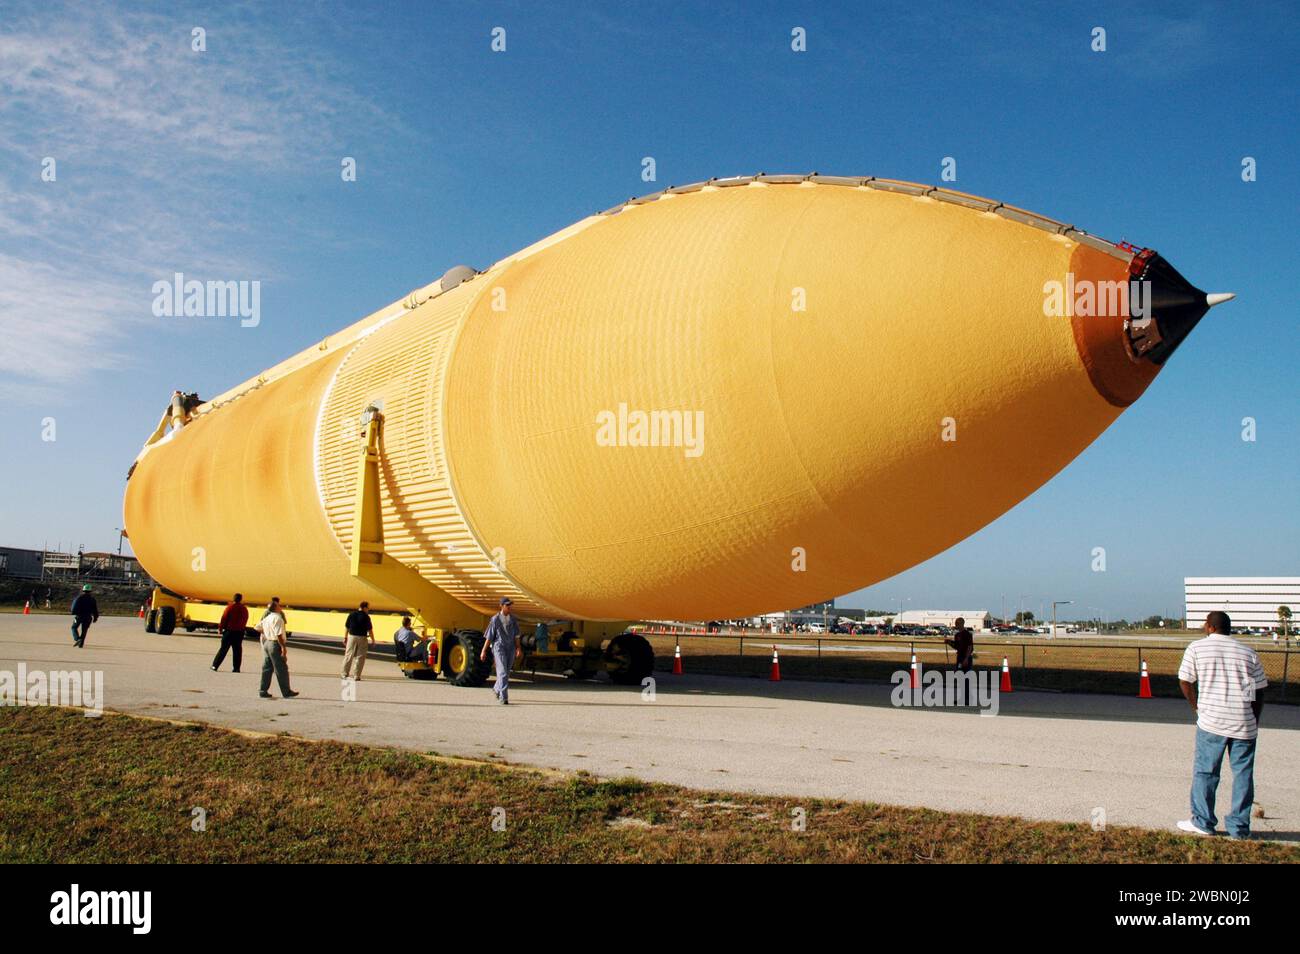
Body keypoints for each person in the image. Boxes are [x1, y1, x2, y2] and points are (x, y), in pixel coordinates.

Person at [1175, 611, 1267, 839]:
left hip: (1212, 722)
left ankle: (1203, 822)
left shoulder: (1197, 648)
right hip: (1244, 723)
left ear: (1210, 627)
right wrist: (1253, 716)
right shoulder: (1248, 653)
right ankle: (1239, 828)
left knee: (1206, 772)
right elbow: (1257, 690)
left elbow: (1185, 680)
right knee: (1243, 775)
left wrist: (1196, 706)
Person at [480, 597, 522, 704]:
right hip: (499, 647)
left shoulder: (513, 620)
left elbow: (517, 636)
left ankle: (496, 688)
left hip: (511, 648)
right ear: (501, 606)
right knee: (502, 672)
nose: (509, 607)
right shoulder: (495, 620)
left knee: (506, 673)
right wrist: (483, 651)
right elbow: (489, 637)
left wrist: (518, 648)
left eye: (510, 605)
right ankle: (504, 697)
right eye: (507, 605)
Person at [256, 597, 297, 699]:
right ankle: (286, 691)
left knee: (267, 668)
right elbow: (279, 635)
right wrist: (283, 647)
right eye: (279, 606)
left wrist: (266, 634)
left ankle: (263, 690)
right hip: (275, 644)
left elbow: (257, 627)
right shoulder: (278, 618)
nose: (280, 607)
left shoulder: (268, 617)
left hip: (267, 643)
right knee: (281, 669)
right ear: (276, 608)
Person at [211, 593, 249, 672]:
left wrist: (220, 628)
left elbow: (224, 618)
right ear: (241, 599)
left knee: (223, 649)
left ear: (233, 599)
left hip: (229, 631)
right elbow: (245, 619)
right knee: (237, 650)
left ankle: (215, 666)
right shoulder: (244, 609)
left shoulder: (230, 607)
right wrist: (242, 627)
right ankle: (236, 668)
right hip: (239, 632)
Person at [342, 600, 375, 681]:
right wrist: (373, 639)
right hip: (362, 638)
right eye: (368, 608)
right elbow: (370, 630)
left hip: (351, 636)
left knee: (348, 655)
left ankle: (344, 674)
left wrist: (345, 637)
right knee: (360, 657)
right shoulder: (366, 617)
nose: (368, 610)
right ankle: (356, 675)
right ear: (364, 608)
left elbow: (347, 627)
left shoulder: (351, 614)